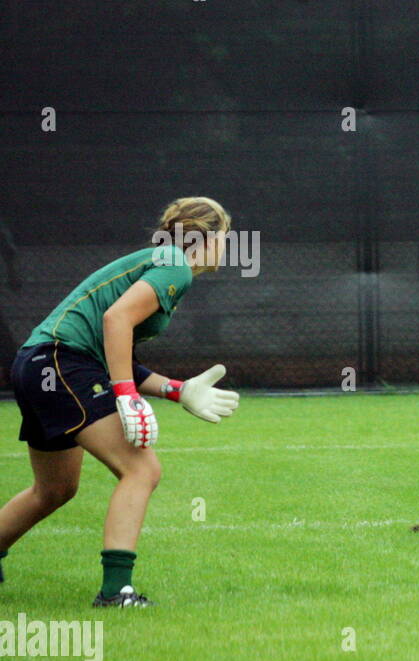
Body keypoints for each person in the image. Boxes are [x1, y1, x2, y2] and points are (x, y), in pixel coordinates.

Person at [0, 198, 241, 606]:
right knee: (142, 469)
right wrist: (125, 394)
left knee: (55, 489)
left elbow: (116, 348)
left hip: (41, 363)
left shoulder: (162, 262)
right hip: (61, 362)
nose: (227, 246)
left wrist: (177, 390)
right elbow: (116, 320)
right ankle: (116, 592)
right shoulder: (174, 265)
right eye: (224, 237)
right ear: (205, 236)